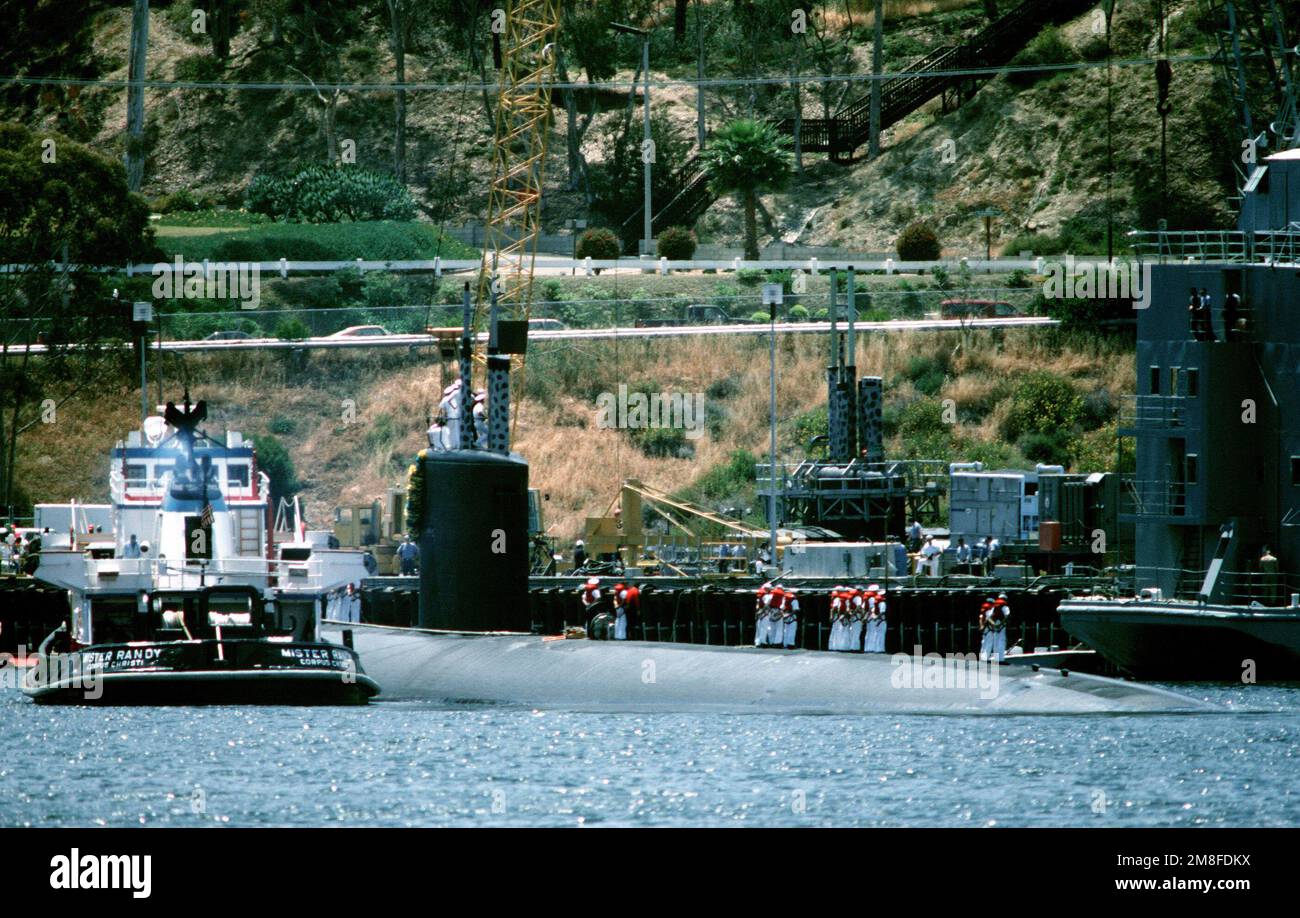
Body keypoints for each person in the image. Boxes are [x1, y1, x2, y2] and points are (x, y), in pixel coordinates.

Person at [980, 593, 1011, 662]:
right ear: (1005, 599)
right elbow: (1007, 615)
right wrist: (1000, 624)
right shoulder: (1004, 606)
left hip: (992, 626)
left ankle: (988, 658)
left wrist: (994, 624)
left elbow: (988, 617)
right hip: (1000, 625)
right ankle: (1000, 659)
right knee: (1001, 641)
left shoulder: (993, 606)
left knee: (994, 643)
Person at [865, 586, 888, 653]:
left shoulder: (875, 601)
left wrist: (873, 617)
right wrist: (876, 617)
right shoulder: (882, 602)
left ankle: (873, 648)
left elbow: (872, 610)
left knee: (875, 634)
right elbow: (882, 612)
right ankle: (880, 649)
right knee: (881, 635)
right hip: (881, 620)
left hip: (875, 619)